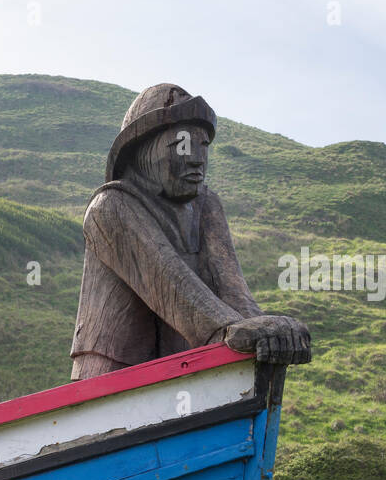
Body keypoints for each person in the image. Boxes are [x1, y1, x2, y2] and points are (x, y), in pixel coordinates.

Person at [70, 83, 311, 380]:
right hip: (113, 376)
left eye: (203, 146)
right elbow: (167, 280)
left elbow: (231, 287)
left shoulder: (206, 204)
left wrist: (268, 326)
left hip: (184, 370)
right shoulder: (110, 207)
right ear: (141, 149)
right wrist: (225, 329)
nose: (197, 158)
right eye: (181, 146)